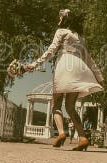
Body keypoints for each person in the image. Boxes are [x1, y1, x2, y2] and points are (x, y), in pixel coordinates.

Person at [25, 9, 101, 151]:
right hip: (79, 67)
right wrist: (100, 77)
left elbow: (50, 51)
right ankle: (83, 138)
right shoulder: (80, 36)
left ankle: (60, 133)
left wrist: (34, 65)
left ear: (64, 19)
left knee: (56, 104)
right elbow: (89, 59)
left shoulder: (61, 32)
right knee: (71, 107)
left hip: (65, 65)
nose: (58, 20)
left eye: (60, 17)